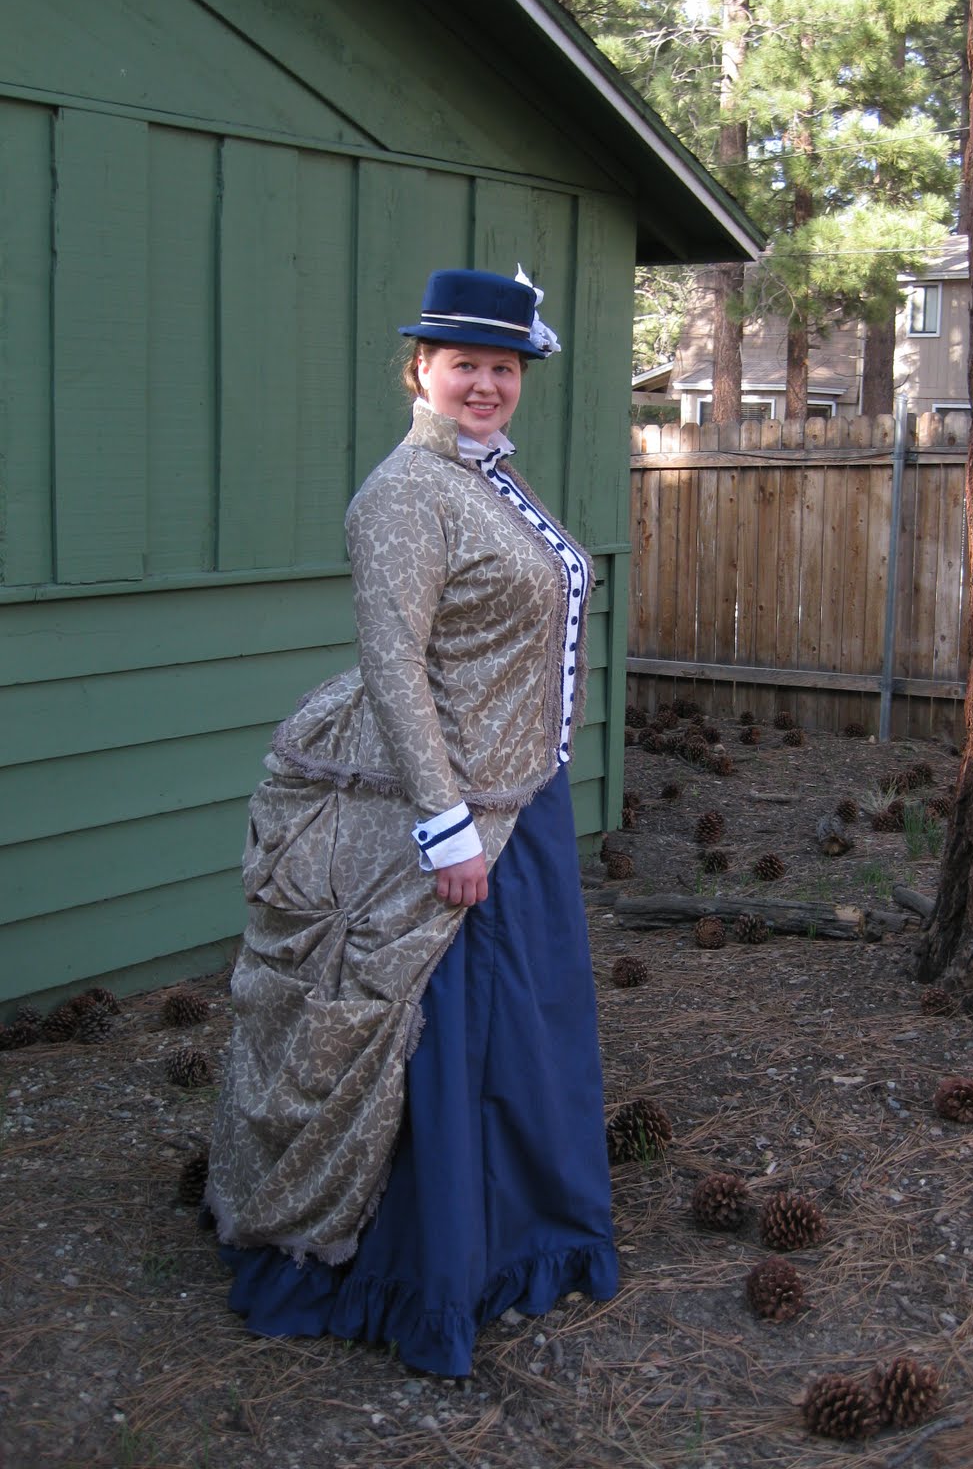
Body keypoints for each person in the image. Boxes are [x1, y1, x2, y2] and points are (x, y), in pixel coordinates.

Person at [205, 267, 618, 1376]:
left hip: (520, 795)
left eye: (503, 366)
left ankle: (525, 1232)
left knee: (522, 1032)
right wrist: (445, 829)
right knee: (448, 1036)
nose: (485, 383)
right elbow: (394, 666)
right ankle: (425, 1263)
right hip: (450, 808)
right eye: (463, 364)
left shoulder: (489, 480)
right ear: (419, 370)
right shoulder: (405, 494)